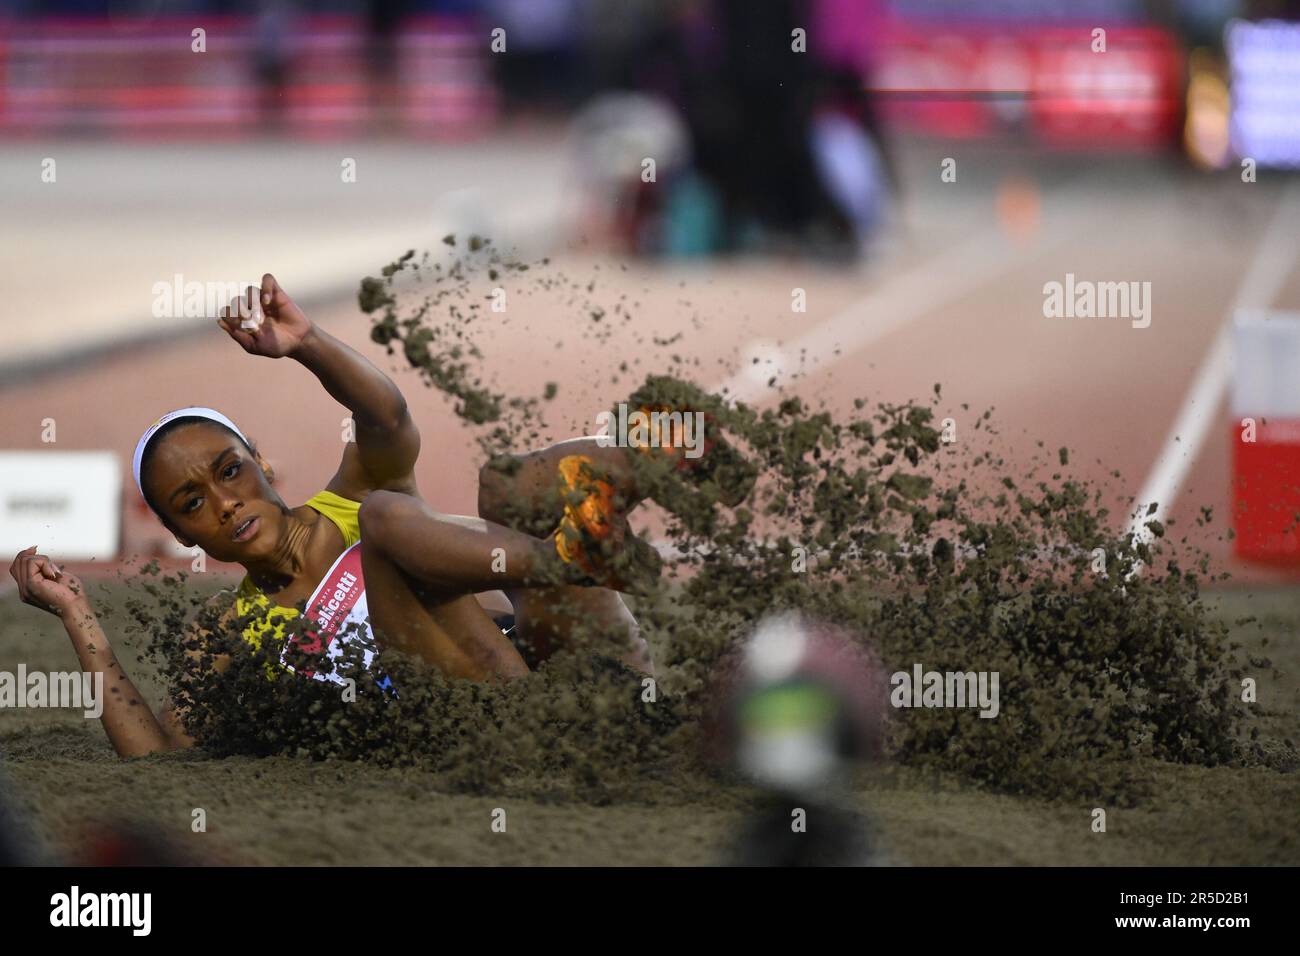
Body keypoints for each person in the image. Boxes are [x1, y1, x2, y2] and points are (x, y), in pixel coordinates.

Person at [7, 274, 673, 758]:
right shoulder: (225, 631)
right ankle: (570, 554)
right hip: (510, 726)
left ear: (264, 465)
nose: (224, 503)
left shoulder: (350, 492)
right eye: (192, 505)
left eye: (230, 471)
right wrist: (78, 617)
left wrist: (307, 343)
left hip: (586, 676)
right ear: (184, 536)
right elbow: (156, 759)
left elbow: (386, 416)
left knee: (505, 483)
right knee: (384, 523)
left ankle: (678, 459)